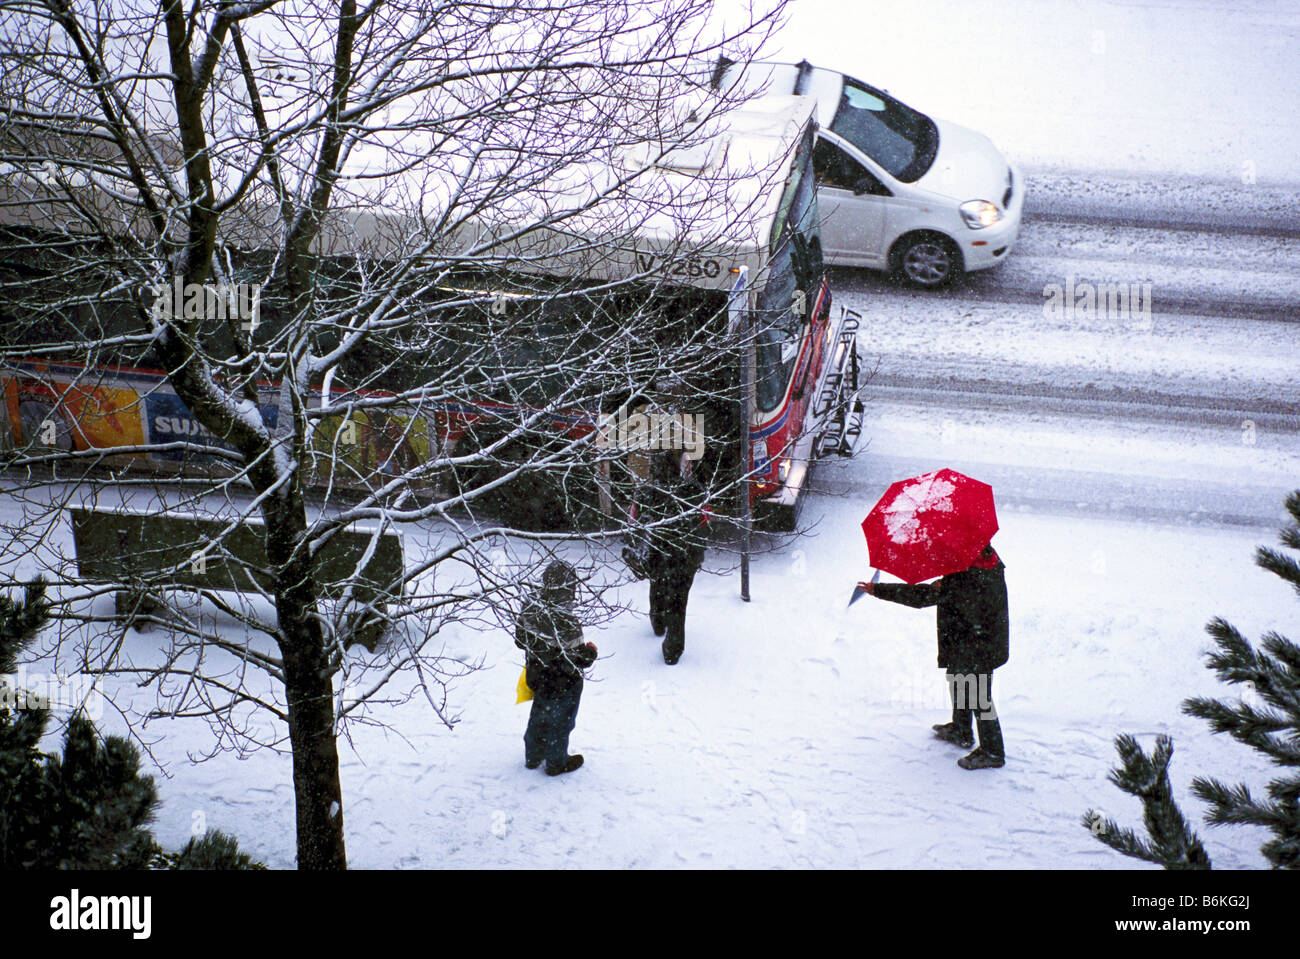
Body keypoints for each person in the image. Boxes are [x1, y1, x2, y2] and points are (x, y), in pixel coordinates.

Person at [859, 543, 1008, 770]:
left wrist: (878, 590)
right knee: (958, 681)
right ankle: (961, 730)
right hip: (972, 640)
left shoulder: (964, 578)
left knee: (978, 695)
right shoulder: (988, 560)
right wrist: (948, 581)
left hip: (978, 645)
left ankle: (993, 751)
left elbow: (921, 597)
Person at [515, 560, 597, 776]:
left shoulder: (531, 605)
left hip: (537, 673)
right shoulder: (567, 621)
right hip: (564, 681)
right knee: (561, 721)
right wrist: (590, 653)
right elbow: (575, 660)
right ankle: (556, 762)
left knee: (540, 714)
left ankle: (533, 755)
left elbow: (520, 639)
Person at [636, 449, 708, 665]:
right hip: (686, 553)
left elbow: (637, 521)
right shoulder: (695, 491)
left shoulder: (647, 491)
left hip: (659, 550)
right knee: (679, 600)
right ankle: (673, 648)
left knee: (657, 582)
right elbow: (704, 523)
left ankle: (657, 619)